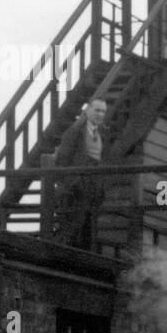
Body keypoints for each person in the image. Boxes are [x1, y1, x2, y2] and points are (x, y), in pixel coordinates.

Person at [53, 97, 110, 248]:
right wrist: (68, 181)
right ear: (88, 110)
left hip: (93, 183)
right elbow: (63, 157)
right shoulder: (76, 131)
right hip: (77, 182)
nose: (100, 114)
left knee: (89, 220)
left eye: (103, 111)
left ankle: (85, 249)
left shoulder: (102, 134)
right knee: (74, 220)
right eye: (97, 110)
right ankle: (64, 249)